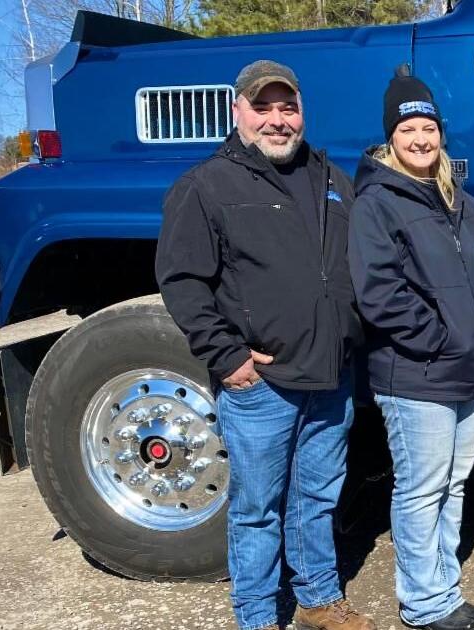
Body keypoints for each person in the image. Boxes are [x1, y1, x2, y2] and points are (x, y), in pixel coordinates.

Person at [156, 60, 375, 630]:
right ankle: (255, 616)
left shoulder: (330, 177)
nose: (278, 121)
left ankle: (319, 600)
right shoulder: (206, 185)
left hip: (329, 375)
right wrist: (227, 357)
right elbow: (182, 280)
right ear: (239, 112)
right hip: (262, 385)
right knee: (256, 509)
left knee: (317, 499)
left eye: (288, 107)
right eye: (264, 107)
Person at [346, 66, 474, 630]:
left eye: (428, 127)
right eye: (408, 128)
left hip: (467, 369)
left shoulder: (455, 199)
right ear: (392, 137)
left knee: (453, 485)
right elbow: (378, 294)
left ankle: (442, 590)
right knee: (420, 490)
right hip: (419, 374)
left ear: (441, 134)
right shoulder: (377, 202)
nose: (420, 138)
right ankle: (423, 604)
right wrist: (440, 340)